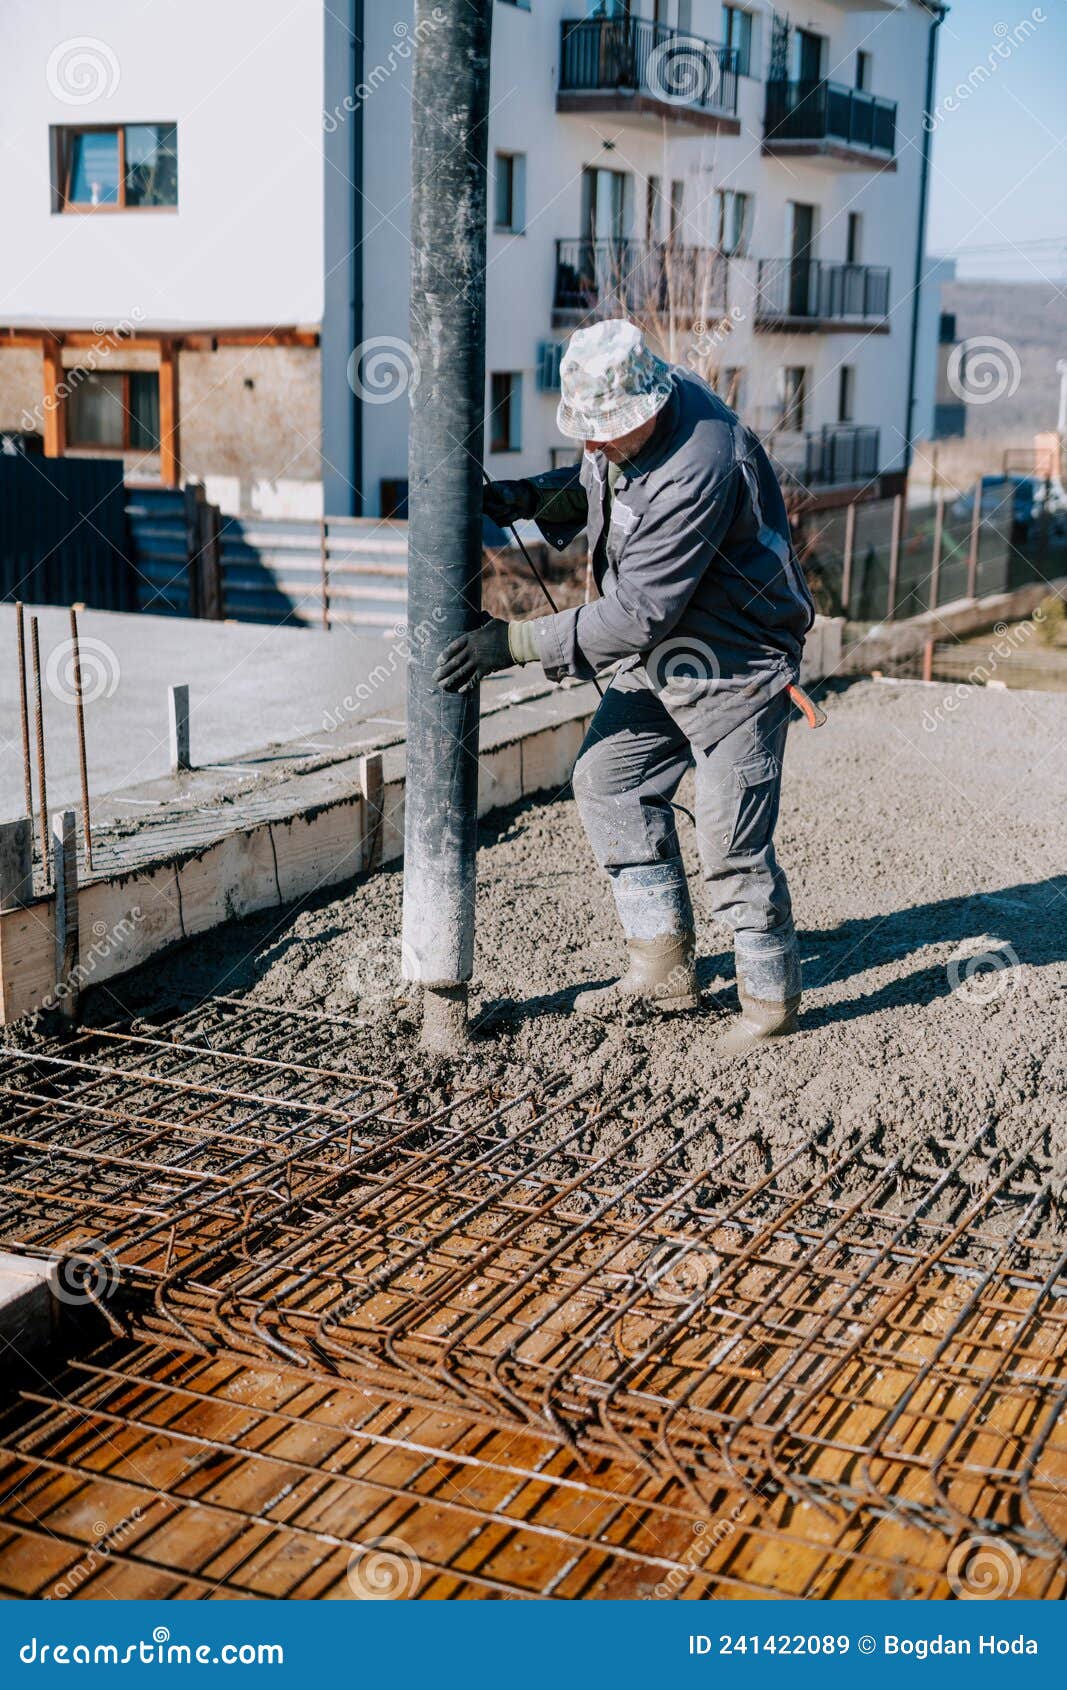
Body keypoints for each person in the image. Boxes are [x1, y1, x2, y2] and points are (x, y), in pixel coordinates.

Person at [434, 318, 814, 1052]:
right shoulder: (630, 432)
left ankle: (771, 1007)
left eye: (606, 432)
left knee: (731, 847)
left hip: (736, 661)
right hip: (665, 646)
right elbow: (602, 486)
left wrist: (511, 643)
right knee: (608, 779)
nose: (594, 445)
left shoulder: (702, 461)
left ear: (648, 407)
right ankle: (662, 968)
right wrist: (528, 498)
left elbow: (639, 611)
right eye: (588, 431)